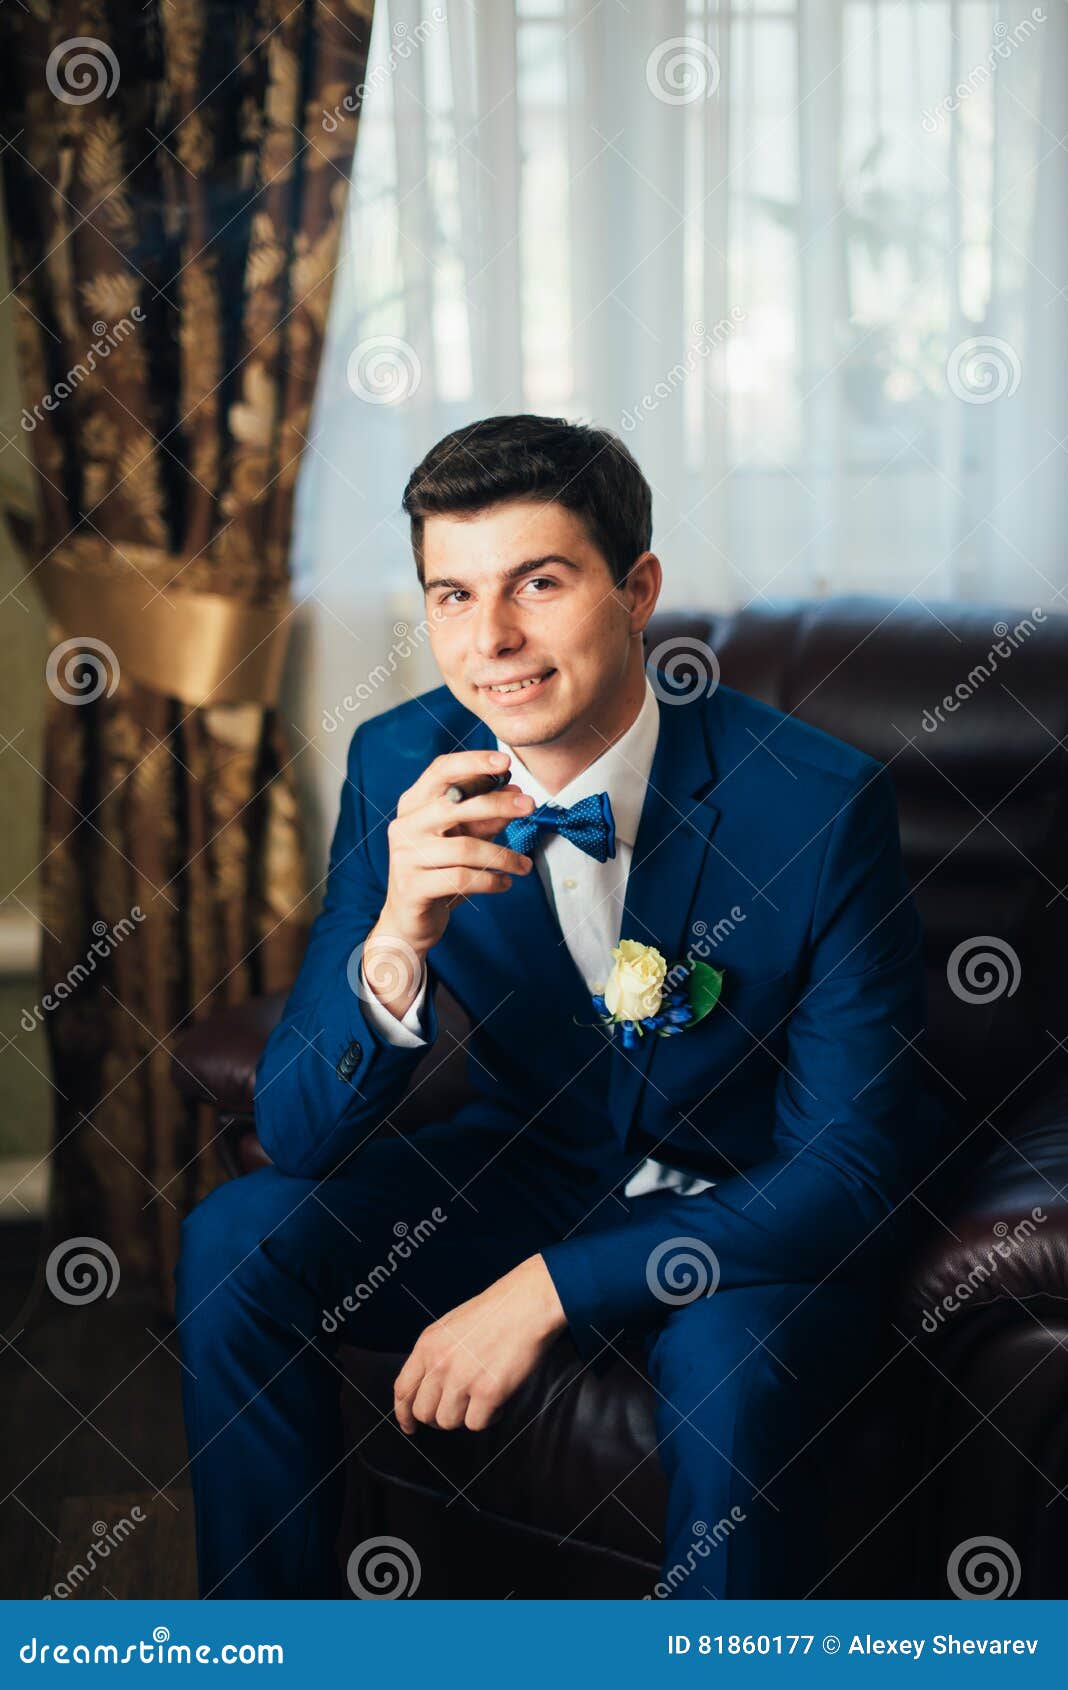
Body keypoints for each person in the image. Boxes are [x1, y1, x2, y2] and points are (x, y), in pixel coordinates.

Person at [175, 414, 943, 1598]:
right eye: (452, 595)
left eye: (538, 583)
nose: (490, 643)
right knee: (234, 1242)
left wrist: (544, 1289)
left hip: (746, 1215)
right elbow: (304, 1127)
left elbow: (849, 1172)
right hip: (532, 1169)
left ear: (637, 590)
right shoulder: (399, 762)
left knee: (736, 1376)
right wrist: (394, 944)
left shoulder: (821, 804)